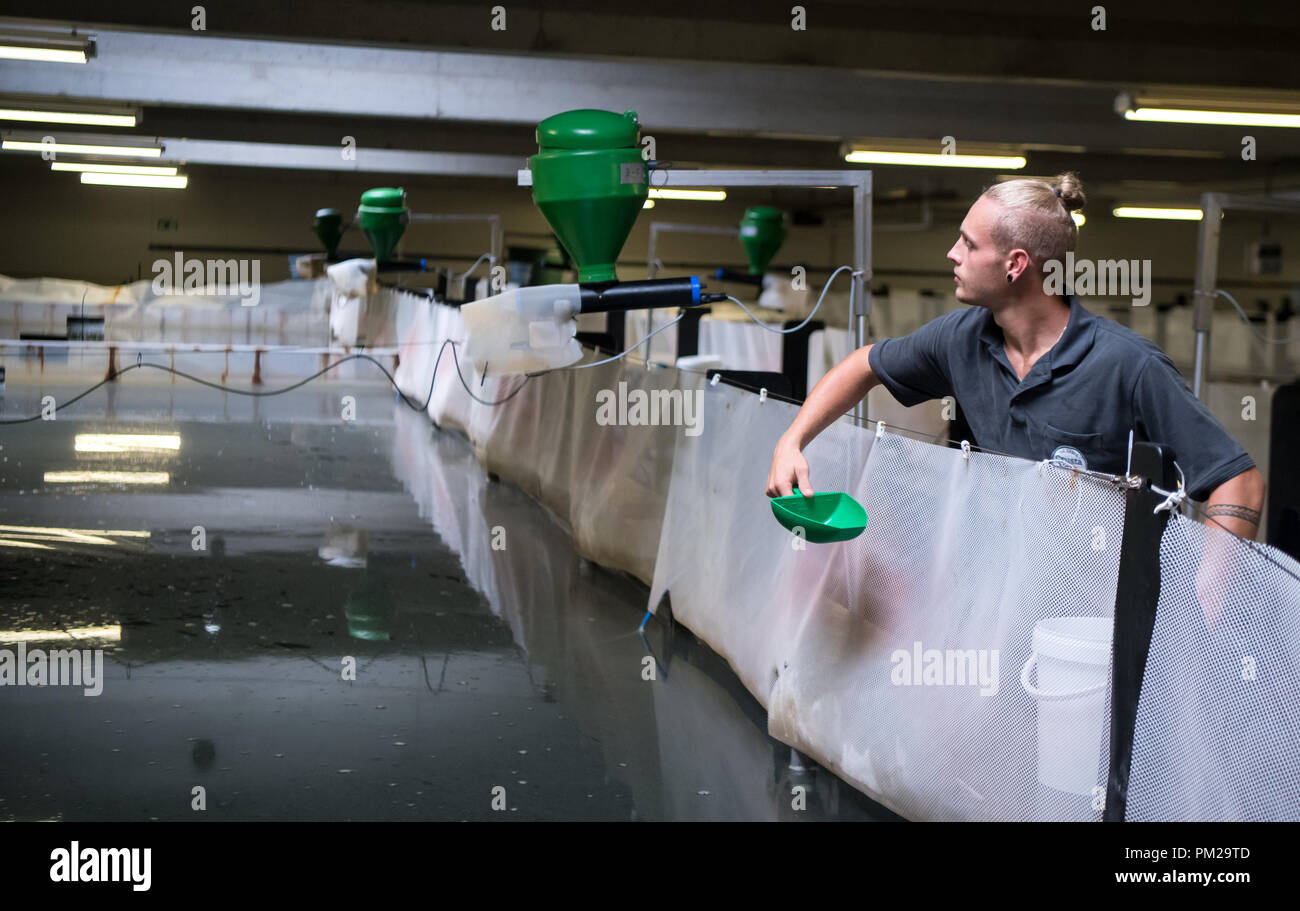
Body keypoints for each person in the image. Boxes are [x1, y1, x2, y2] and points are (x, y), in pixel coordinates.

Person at [765, 171, 1266, 545]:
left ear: (1015, 265)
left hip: (1093, 623)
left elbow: (1238, 481)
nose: (951, 254)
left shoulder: (1127, 366)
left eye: (968, 243)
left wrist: (1204, 606)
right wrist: (792, 442)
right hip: (999, 596)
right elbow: (863, 364)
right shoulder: (960, 339)